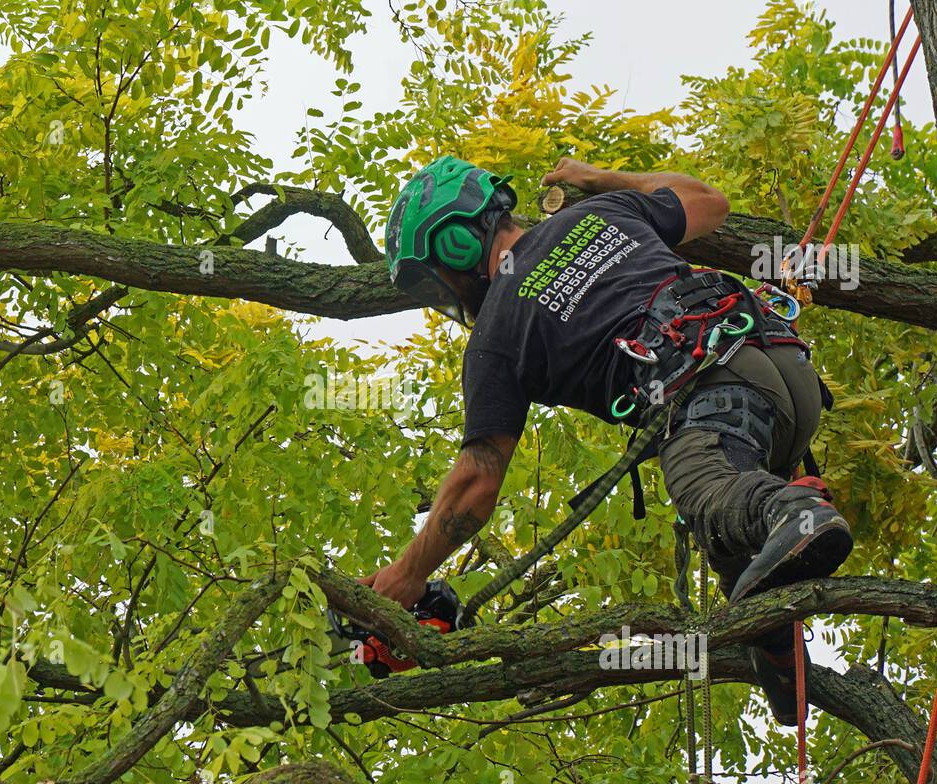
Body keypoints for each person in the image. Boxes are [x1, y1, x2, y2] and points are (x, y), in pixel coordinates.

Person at [361, 155, 853, 724]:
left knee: (703, 488)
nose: (441, 292)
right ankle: (775, 639)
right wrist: (605, 180)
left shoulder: (495, 331)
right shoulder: (604, 212)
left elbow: (477, 480)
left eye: (432, 276)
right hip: (784, 367)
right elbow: (709, 203)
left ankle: (799, 513)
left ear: (455, 245)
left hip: (711, 390)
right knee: (730, 541)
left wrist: (407, 574)